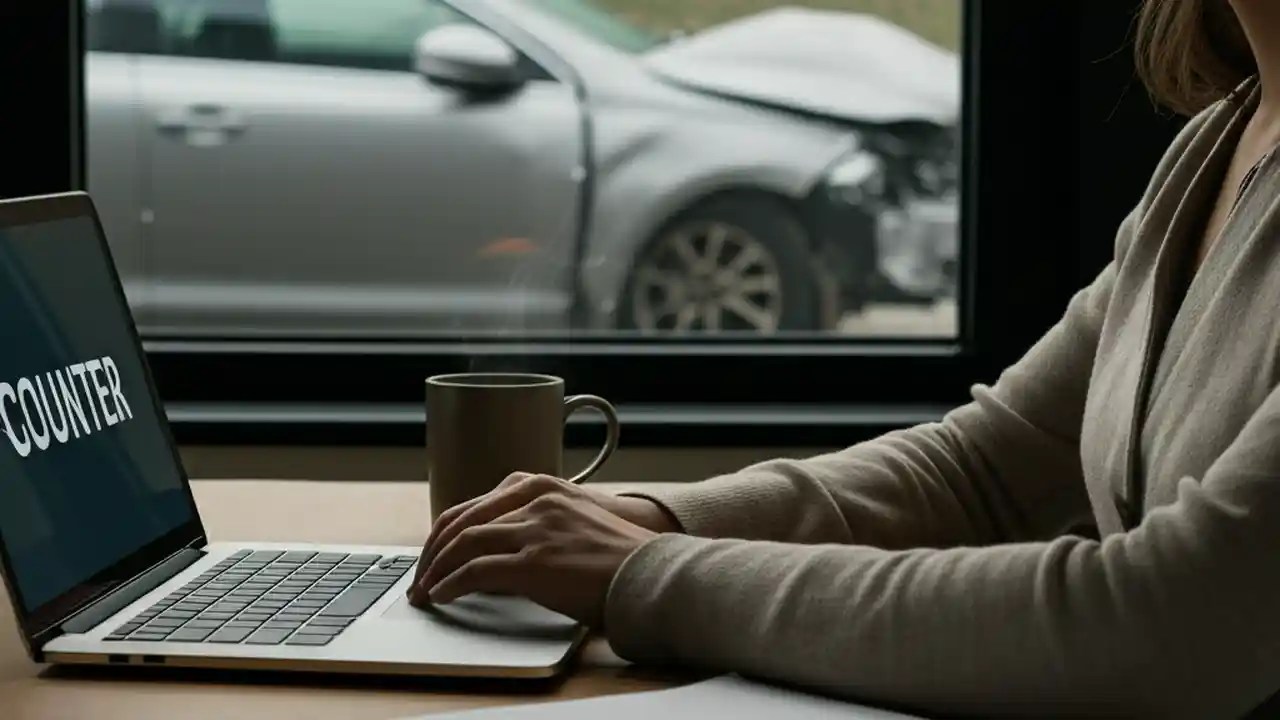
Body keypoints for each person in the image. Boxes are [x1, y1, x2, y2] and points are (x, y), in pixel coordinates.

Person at [409, 0, 1280, 715]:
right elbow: (983, 470)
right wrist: (653, 519)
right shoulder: (1219, 140)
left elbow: (1174, 623)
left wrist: (648, 574)